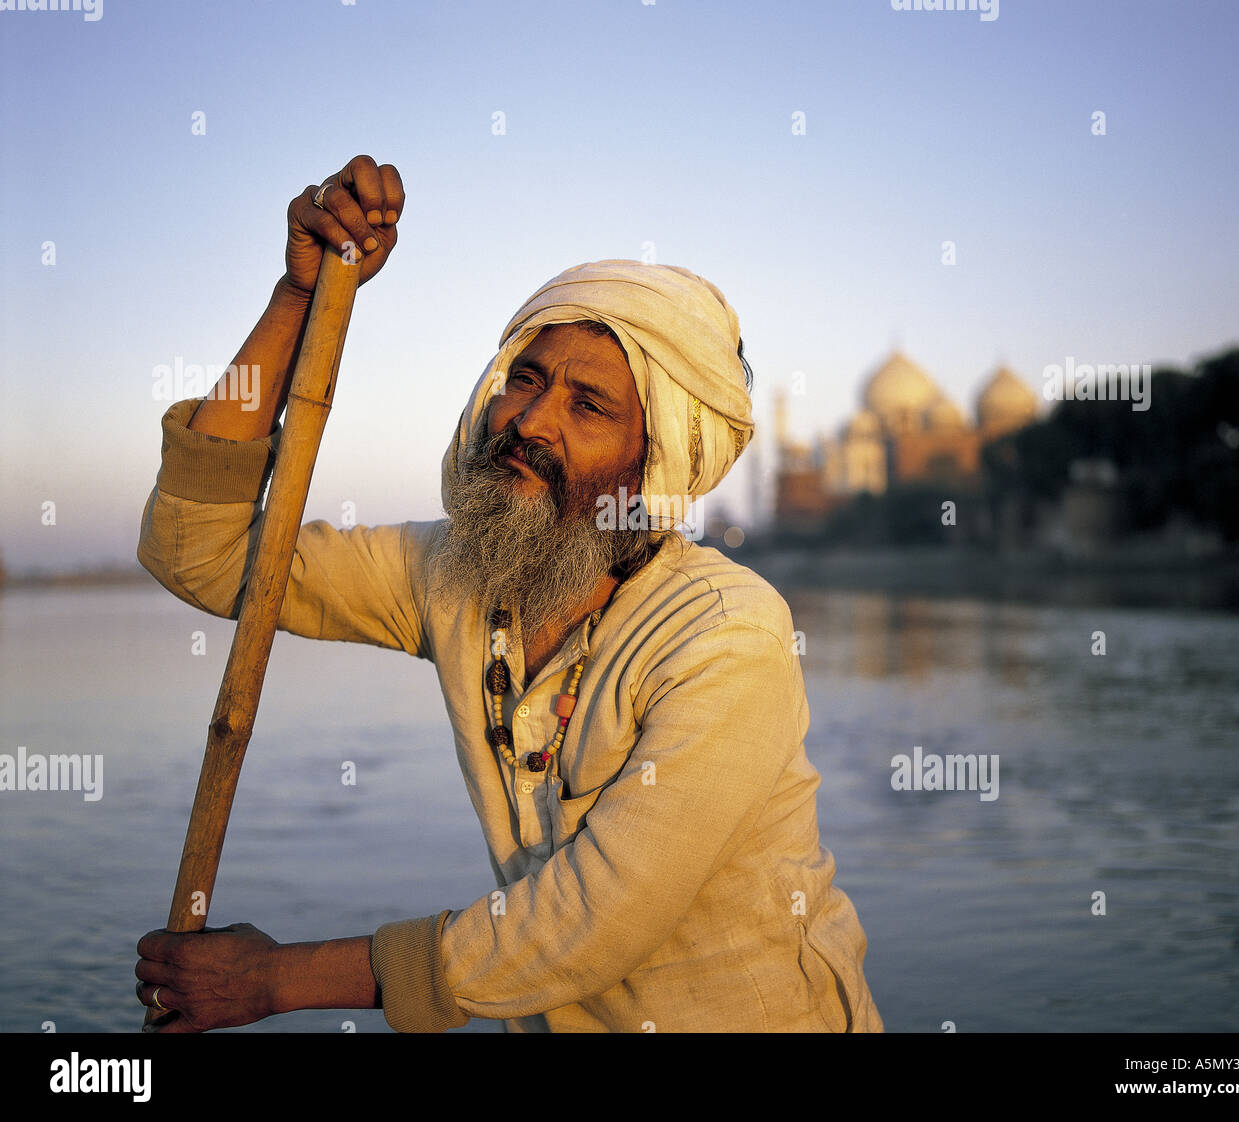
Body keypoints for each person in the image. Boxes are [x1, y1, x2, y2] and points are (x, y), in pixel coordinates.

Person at [134, 155, 885, 1033]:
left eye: (588, 405)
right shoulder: (455, 574)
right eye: (525, 381)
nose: (530, 421)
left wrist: (275, 980)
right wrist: (296, 300)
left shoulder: (727, 635)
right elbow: (202, 552)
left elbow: (588, 922)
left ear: (657, 463)